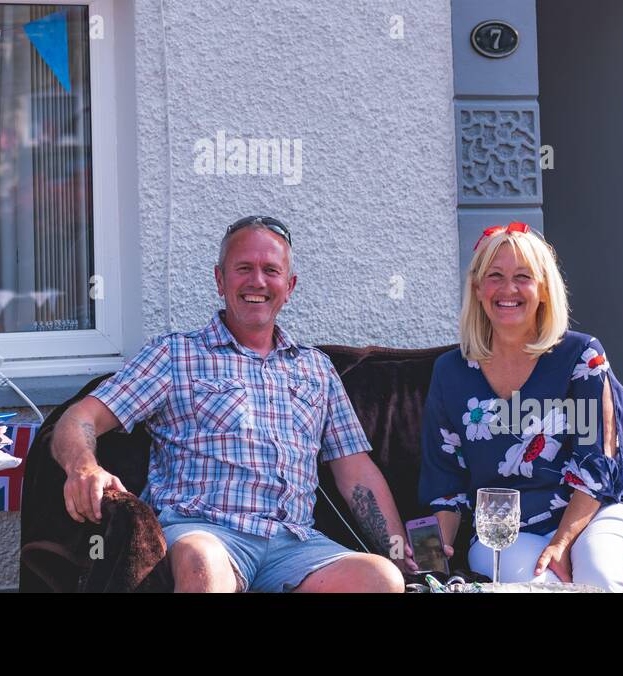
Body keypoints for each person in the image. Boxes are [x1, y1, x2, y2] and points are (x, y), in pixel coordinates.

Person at [52, 216, 409, 593]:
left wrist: (400, 551)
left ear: (289, 287)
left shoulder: (315, 368)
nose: (257, 281)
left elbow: (355, 471)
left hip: (297, 546)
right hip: (206, 532)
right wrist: (84, 467)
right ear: (220, 280)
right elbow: (79, 416)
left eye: (271, 270)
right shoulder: (175, 355)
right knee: (203, 560)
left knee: (382, 579)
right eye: (244, 268)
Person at [419, 222, 623, 592]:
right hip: (505, 530)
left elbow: (598, 465)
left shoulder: (582, 357)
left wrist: (562, 543)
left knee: (600, 576)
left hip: (599, 513)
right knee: (542, 585)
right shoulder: (451, 372)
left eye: (523, 277)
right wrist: (431, 555)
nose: (507, 289)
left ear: (544, 288)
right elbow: (444, 482)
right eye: (494, 276)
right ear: (478, 288)